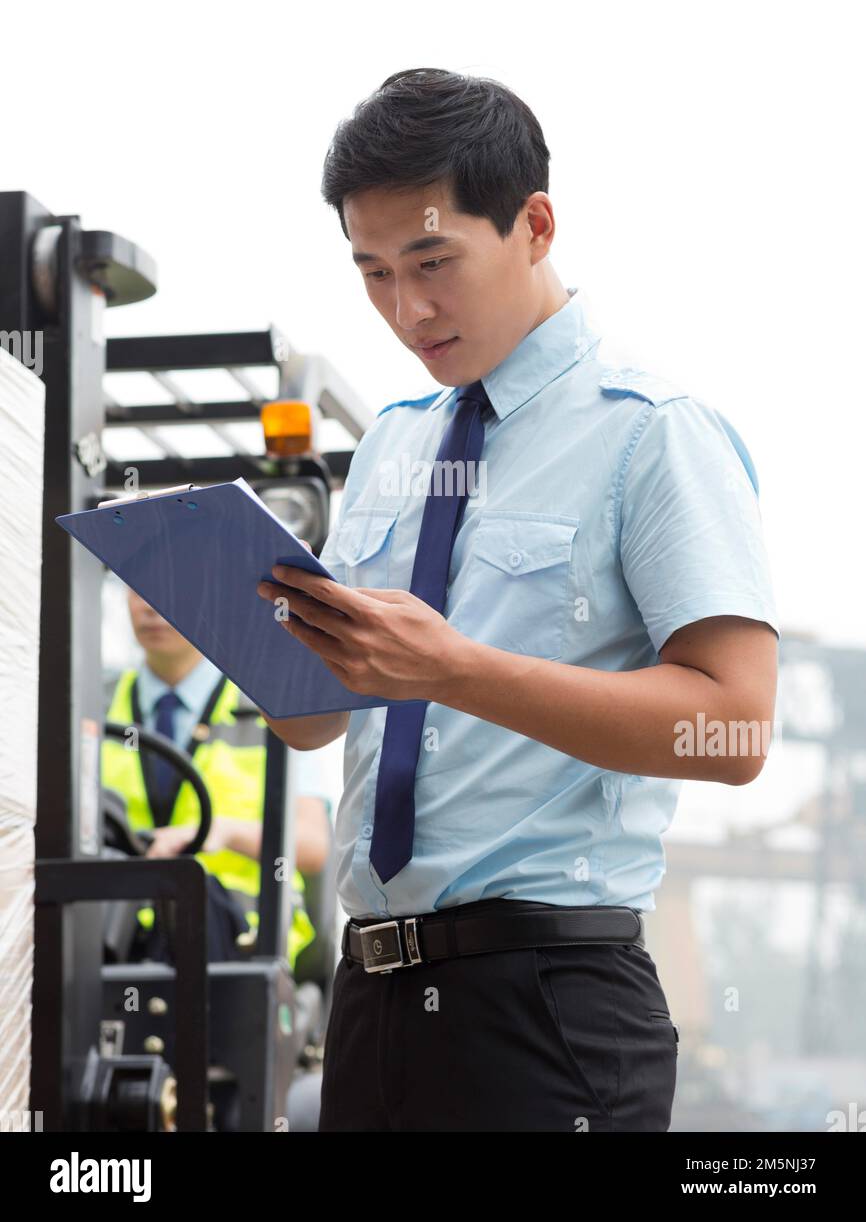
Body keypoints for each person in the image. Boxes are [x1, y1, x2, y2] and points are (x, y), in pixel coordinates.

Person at [256, 67, 779, 1132]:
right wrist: (252, 626)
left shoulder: (652, 431)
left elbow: (735, 726)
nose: (406, 308)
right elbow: (315, 718)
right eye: (372, 272)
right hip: (370, 996)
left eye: (433, 260)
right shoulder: (395, 442)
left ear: (533, 225)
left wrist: (454, 669)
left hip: (544, 1004)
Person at [102, 586, 332, 972]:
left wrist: (222, 833)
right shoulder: (93, 704)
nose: (151, 606)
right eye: (138, 588)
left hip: (238, 942)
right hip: (116, 938)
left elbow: (312, 845)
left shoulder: (271, 706)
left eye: (170, 589)